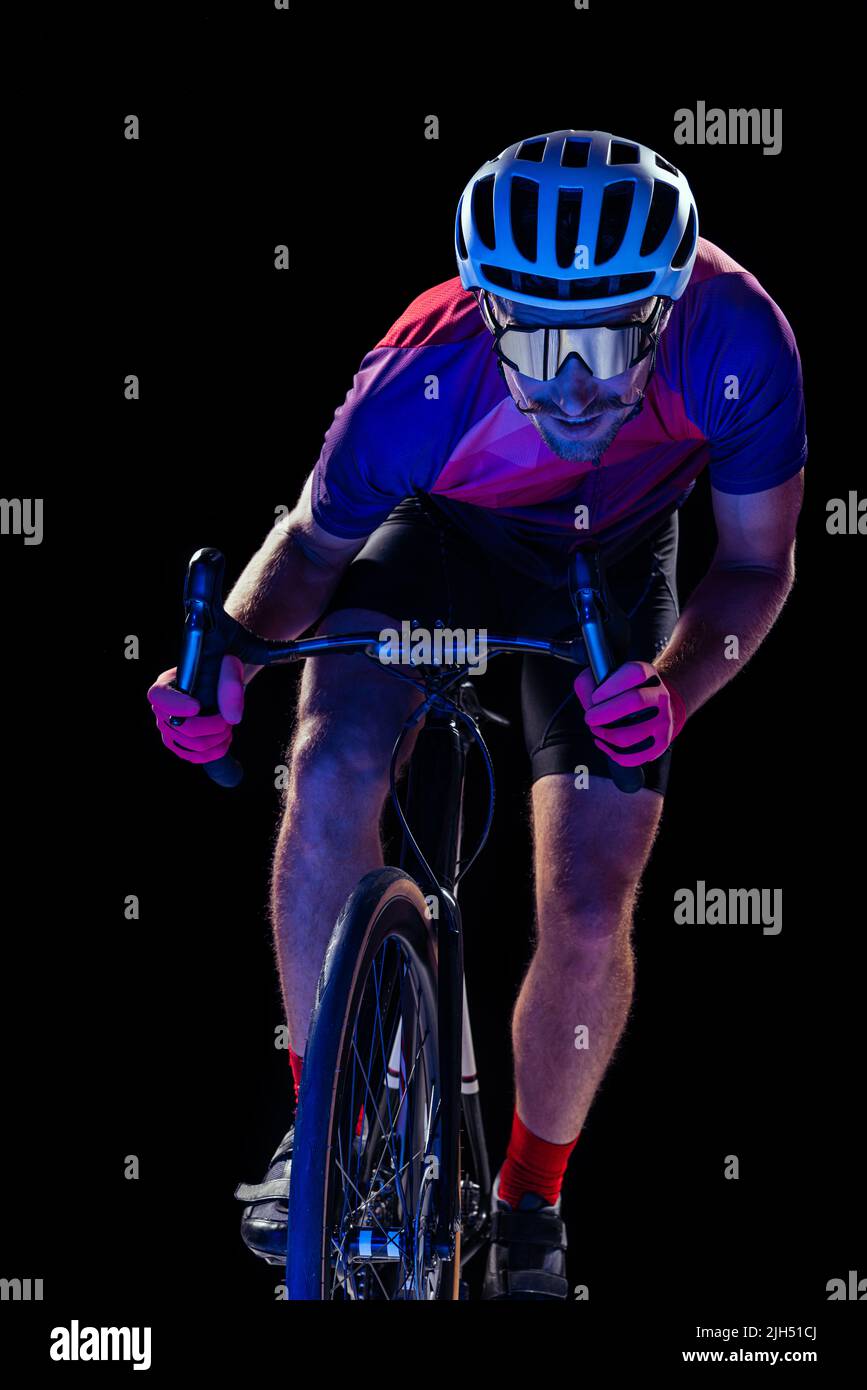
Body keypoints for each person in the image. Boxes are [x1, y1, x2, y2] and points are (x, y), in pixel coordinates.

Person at [148, 129, 807, 1299]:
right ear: (485, 312)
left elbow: (756, 568)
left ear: (665, 312)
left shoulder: (739, 336)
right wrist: (232, 664)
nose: (572, 387)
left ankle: (532, 1201)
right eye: (538, 345)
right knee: (330, 758)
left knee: (592, 901)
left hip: (609, 559)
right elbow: (303, 556)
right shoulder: (419, 371)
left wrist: (675, 685)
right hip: (442, 535)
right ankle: (325, 1130)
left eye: (606, 344)